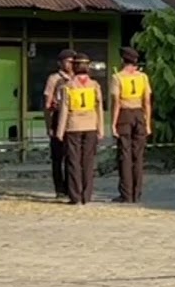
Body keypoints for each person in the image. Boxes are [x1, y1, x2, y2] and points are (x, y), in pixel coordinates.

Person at [55, 52, 104, 205]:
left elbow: (64, 109)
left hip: (73, 126)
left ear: (74, 67)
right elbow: (99, 108)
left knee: (73, 162)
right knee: (88, 162)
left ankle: (75, 196)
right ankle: (86, 195)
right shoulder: (95, 85)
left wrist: (60, 131)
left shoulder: (67, 86)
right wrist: (101, 128)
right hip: (90, 126)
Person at [110, 47, 151, 204]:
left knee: (125, 156)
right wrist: (147, 123)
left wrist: (113, 124)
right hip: (139, 115)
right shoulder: (143, 77)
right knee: (138, 156)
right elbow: (147, 101)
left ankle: (126, 194)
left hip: (124, 115)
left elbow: (116, 103)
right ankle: (137, 193)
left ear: (122, 60)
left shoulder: (117, 77)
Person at [42, 49, 76, 199]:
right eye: (67, 61)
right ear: (60, 63)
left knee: (72, 156)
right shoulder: (54, 79)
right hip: (57, 116)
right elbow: (47, 103)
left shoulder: (77, 78)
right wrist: (48, 125)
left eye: (72, 61)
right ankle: (59, 188)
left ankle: (71, 187)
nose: (70, 64)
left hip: (73, 118)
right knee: (58, 157)